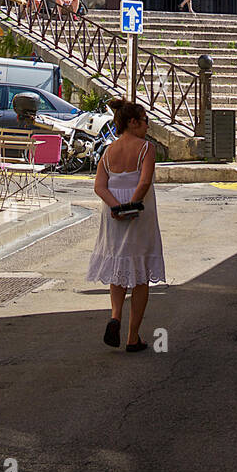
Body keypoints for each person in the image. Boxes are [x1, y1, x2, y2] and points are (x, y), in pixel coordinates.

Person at [87, 101, 166, 350]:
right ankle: (133, 336)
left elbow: (99, 186)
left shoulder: (108, 151)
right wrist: (131, 206)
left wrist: (115, 207)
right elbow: (143, 183)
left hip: (112, 215)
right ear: (133, 122)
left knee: (118, 264)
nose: (147, 126)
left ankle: (115, 316)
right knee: (140, 274)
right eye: (145, 121)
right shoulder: (146, 148)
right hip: (138, 213)